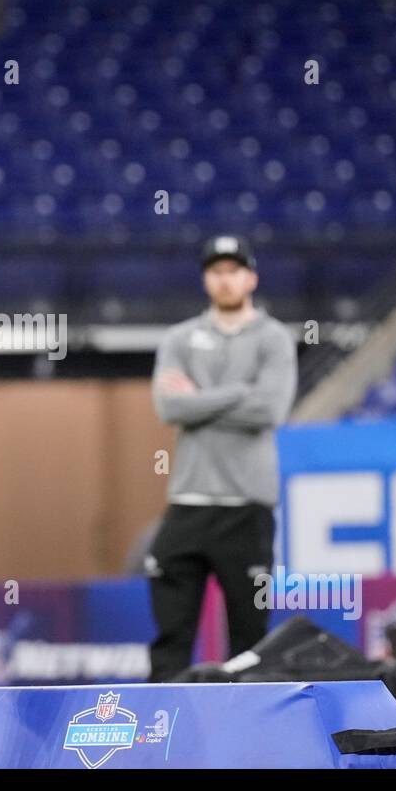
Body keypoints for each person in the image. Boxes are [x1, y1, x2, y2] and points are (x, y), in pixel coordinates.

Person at [146, 236, 297, 681]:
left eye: (234, 270)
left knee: (251, 641)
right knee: (171, 636)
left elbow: (269, 410)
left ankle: (251, 738)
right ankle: (163, 736)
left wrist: (203, 400)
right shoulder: (180, 338)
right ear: (205, 278)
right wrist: (240, 392)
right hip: (189, 503)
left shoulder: (274, 339)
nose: (225, 279)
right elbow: (170, 407)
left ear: (251, 277)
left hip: (247, 508)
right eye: (216, 271)